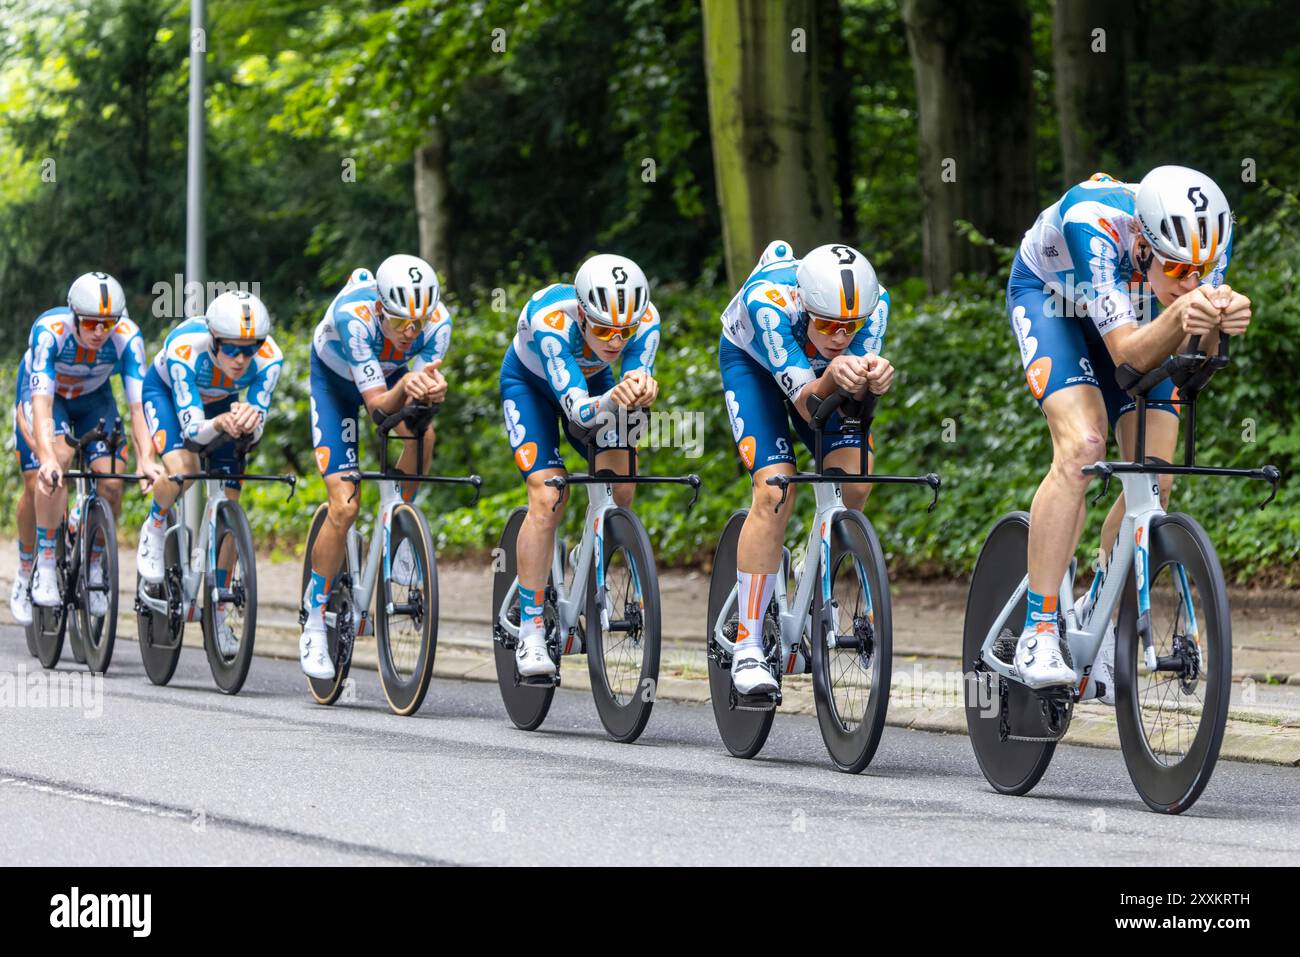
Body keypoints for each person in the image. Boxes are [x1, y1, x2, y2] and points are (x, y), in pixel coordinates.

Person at [1007, 167, 1252, 697]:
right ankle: (1040, 627)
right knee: (1083, 449)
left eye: (1203, 271)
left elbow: (1196, 363)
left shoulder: (1206, 244)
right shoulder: (1091, 222)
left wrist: (1217, 326)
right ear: (1142, 243)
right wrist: (1190, 311)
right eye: (1181, 269)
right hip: (1056, 303)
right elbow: (1126, 355)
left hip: (1136, 309)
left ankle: (1097, 600)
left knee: (1155, 479)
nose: (1194, 281)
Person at [717, 241, 894, 695]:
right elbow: (808, 401)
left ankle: (813, 569)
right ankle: (749, 644)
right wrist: (838, 373)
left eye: (850, 327)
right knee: (776, 489)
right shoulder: (769, 305)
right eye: (828, 324)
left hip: (818, 373)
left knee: (855, 476)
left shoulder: (876, 307)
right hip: (754, 365)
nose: (840, 336)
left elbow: (849, 405)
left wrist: (871, 380)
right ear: (803, 303)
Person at [499, 254, 660, 678]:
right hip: (532, 387)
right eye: (604, 329)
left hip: (594, 384)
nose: (615, 341)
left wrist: (641, 389)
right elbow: (577, 411)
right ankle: (532, 631)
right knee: (550, 495)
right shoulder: (551, 321)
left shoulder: (646, 322)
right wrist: (617, 398)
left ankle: (588, 555)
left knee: (622, 485)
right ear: (583, 315)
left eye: (624, 332)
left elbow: (631, 383)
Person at [299, 255, 451, 679]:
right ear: (381, 308)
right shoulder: (355, 318)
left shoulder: (437, 322)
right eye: (401, 321)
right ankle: (313, 619)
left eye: (418, 323)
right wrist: (407, 385)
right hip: (337, 388)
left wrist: (429, 393)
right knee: (345, 507)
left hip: (387, 377)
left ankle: (399, 529)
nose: (410, 332)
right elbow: (379, 409)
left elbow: (413, 398)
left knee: (425, 435)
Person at [135, 290, 284, 657]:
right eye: (232, 349)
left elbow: (257, 426)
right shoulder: (185, 349)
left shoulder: (270, 359)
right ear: (214, 340)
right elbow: (192, 432)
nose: (242, 359)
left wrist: (251, 422)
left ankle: (219, 606)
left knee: (231, 498)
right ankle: (155, 524)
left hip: (219, 406)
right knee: (185, 469)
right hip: (170, 397)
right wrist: (220, 421)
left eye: (251, 349)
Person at [11, 272, 162, 624]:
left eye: (108, 323)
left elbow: (138, 405)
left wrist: (145, 458)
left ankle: (94, 563)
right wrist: (47, 455)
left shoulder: (127, 338)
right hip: (49, 399)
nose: (99, 332)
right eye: (92, 323)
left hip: (94, 399)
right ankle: (36, 566)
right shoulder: (50, 333)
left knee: (111, 482)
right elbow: (43, 403)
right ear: (75, 316)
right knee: (45, 474)